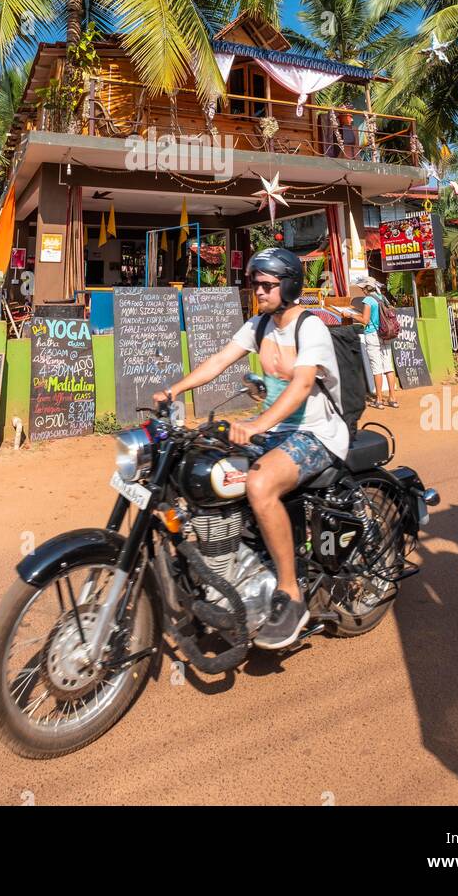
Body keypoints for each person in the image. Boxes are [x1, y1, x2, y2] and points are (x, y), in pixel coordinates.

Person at [154, 246, 349, 650]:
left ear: (289, 286)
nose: (258, 291)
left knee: (259, 484)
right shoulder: (259, 325)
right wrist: (173, 390)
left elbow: (299, 387)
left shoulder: (309, 327)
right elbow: (219, 360)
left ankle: (291, 594)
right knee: (211, 472)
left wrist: (257, 423)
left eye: (266, 285)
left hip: (318, 434)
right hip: (276, 433)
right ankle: (231, 571)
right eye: (254, 283)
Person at [356, 276, 399, 410]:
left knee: (377, 369)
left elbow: (365, 320)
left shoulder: (368, 300)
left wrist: (351, 315)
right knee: (388, 367)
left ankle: (379, 399)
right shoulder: (382, 298)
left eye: (362, 287)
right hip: (385, 335)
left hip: (373, 335)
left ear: (365, 288)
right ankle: (392, 398)